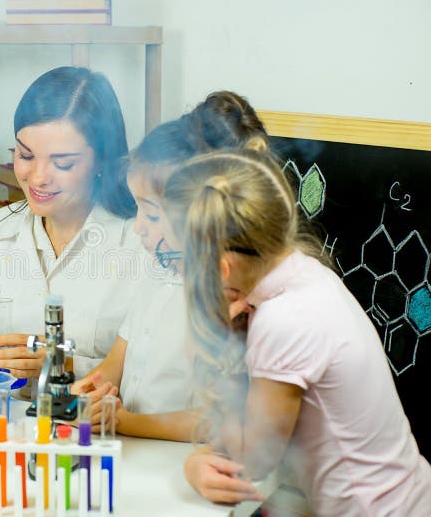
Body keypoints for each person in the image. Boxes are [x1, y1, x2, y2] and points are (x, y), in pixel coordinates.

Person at [159, 148, 431, 514]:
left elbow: (251, 462)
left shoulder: (284, 319)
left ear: (222, 267)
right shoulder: (304, 274)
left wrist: (208, 340)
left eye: (182, 260)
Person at [0, 66, 148, 388]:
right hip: (7, 430)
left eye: (63, 163)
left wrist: (65, 363)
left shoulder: (141, 241)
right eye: (25, 155)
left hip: (96, 432)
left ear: (102, 160)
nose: (38, 177)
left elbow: (157, 380)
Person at [71, 91, 268, 439]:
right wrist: (86, 393)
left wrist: (121, 421)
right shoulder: (159, 268)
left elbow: (221, 419)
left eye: (150, 213)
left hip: (189, 465)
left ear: (197, 212)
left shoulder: (238, 299)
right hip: (135, 452)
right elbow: (116, 362)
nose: (137, 227)